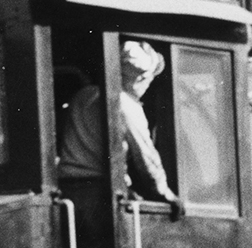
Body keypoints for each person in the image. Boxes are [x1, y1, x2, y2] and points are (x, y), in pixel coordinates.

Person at [58, 39, 176, 201]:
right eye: (149, 80)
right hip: (101, 193)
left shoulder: (83, 95)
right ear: (140, 78)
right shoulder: (127, 105)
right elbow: (146, 156)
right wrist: (165, 192)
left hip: (67, 190)